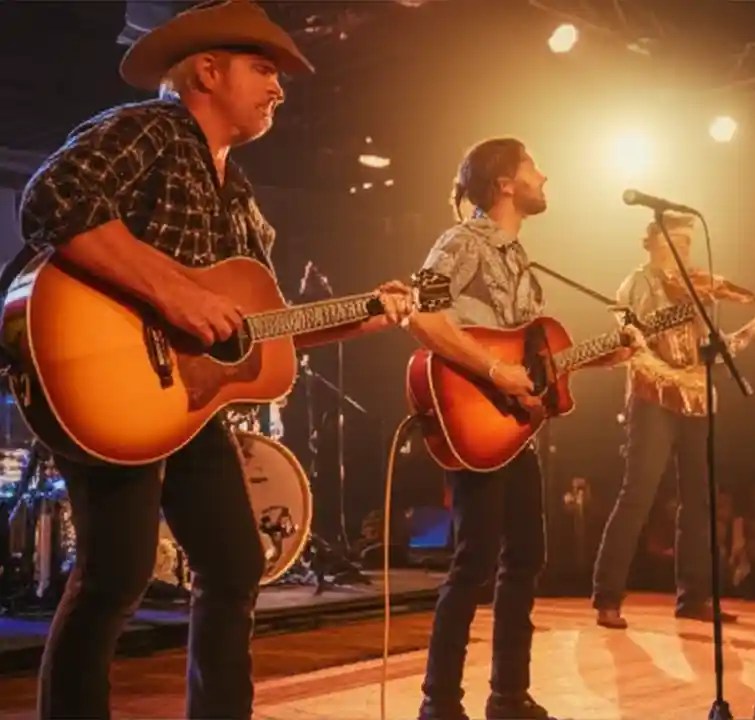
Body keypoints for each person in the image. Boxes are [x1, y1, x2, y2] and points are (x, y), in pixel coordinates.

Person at [16, 3, 448, 717]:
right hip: (109, 382)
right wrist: (177, 294)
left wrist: (361, 316)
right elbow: (53, 196)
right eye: (263, 69)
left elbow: (253, 335)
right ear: (207, 71)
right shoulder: (150, 129)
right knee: (114, 576)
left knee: (235, 563)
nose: (279, 88)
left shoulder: (245, 205)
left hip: (189, 404)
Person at [408, 138, 637, 720]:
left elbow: (531, 364)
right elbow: (424, 314)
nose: (544, 175)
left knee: (525, 559)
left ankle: (508, 698)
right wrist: (493, 369)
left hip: (512, 430)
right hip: (473, 420)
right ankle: (439, 705)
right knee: (474, 563)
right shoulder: (459, 242)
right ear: (506, 183)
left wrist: (606, 355)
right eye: (533, 168)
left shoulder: (522, 264)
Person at [591, 213, 755, 629]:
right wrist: (669, 374)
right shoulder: (637, 284)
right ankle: (608, 596)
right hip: (653, 397)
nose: (686, 251)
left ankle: (694, 597)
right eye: (679, 242)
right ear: (656, 243)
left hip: (697, 401)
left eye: (690, 244)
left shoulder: (695, 294)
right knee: (638, 493)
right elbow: (631, 345)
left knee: (699, 500)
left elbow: (716, 349)